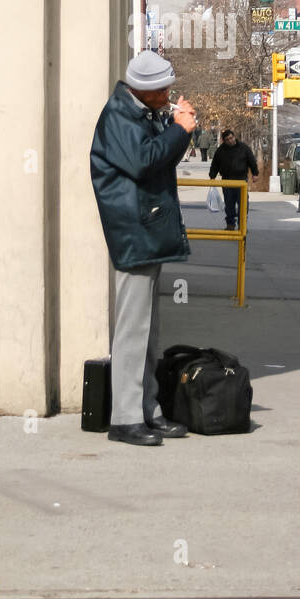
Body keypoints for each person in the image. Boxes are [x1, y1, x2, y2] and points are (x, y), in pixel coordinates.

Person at [90, 50, 196, 447]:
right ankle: (125, 418)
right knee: (132, 330)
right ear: (144, 90)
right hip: (133, 232)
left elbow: (161, 159)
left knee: (148, 329)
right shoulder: (119, 116)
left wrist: (178, 128)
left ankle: (148, 410)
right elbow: (144, 161)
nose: (168, 93)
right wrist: (179, 130)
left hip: (146, 229)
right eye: (163, 89)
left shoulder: (142, 112)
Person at [208, 128, 258, 230]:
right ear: (224, 141)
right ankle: (230, 224)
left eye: (231, 138)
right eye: (227, 139)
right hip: (227, 180)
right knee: (229, 204)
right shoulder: (221, 150)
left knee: (243, 204)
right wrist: (212, 176)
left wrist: (255, 173)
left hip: (241, 181)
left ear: (234, 137)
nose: (230, 141)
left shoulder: (244, 148)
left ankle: (242, 224)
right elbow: (215, 164)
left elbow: (251, 160)